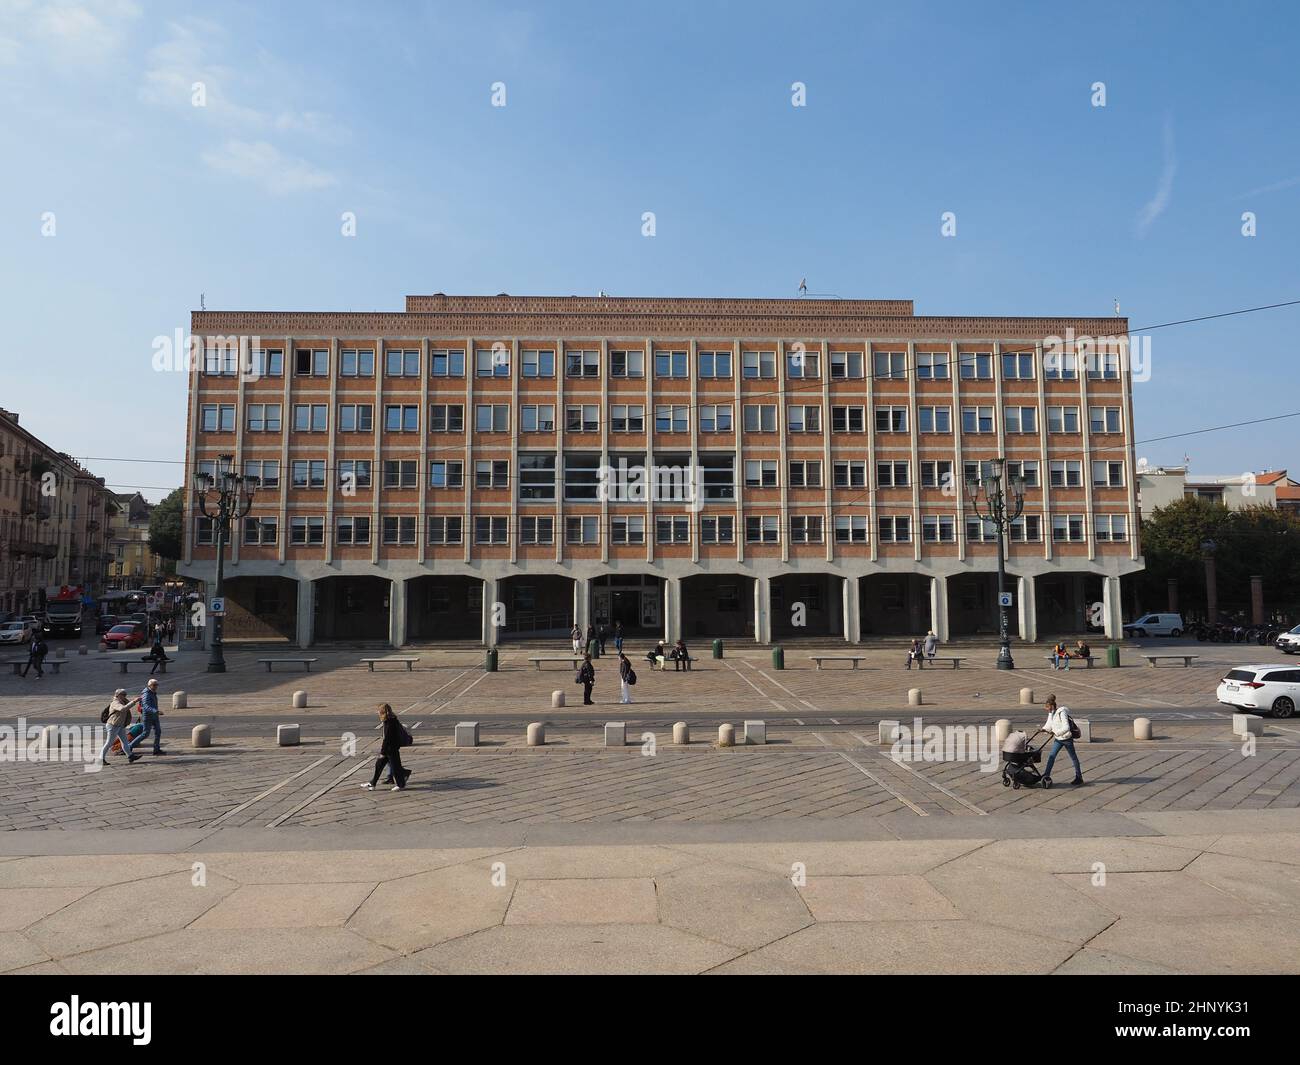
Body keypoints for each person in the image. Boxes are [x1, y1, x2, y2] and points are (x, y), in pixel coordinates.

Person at [360, 703, 411, 792]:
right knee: (379, 765)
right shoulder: (391, 720)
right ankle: (373, 783)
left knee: (395, 767)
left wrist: (383, 752)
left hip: (391, 749)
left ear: (382, 711)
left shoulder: (389, 722)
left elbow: (387, 739)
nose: (377, 712)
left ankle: (401, 784)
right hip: (391, 748)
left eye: (378, 710)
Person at [1041, 694, 1083, 786]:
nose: (1046, 709)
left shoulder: (1061, 712)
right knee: (1051, 756)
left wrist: (1057, 733)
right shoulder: (1052, 713)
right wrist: (1043, 729)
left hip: (1067, 739)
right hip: (1058, 739)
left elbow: (1066, 727)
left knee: (1073, 758)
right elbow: (1049, 723)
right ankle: (1046, 775)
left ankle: (1079, 777)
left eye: (1047, 707)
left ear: (1052, 706)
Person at [98, 688, 142, 765]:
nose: (125, 696)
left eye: (125, 694)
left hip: (120, 725)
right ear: (117, 695)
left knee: (125, 741)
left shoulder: (123, 701)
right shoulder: (115, 702)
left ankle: (130, 756)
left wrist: (137, 700)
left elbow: (129, 705)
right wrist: (134, 701)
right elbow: (123, 709)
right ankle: (101, 759)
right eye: (123, 694)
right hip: (113, 725)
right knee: (109, 743)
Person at [136, 677, 165, 755]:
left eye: (157, 685)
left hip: (154, 716)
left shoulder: (152, 692)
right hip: (148, 716)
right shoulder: (146, 694)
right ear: (150, 685)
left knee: (158, 731)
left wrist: (156, 712)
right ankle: (129, 746)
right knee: (145, 734)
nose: (156, 687)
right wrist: (156, 711)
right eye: (154, 685)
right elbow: (146, 706)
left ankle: (156, 749)